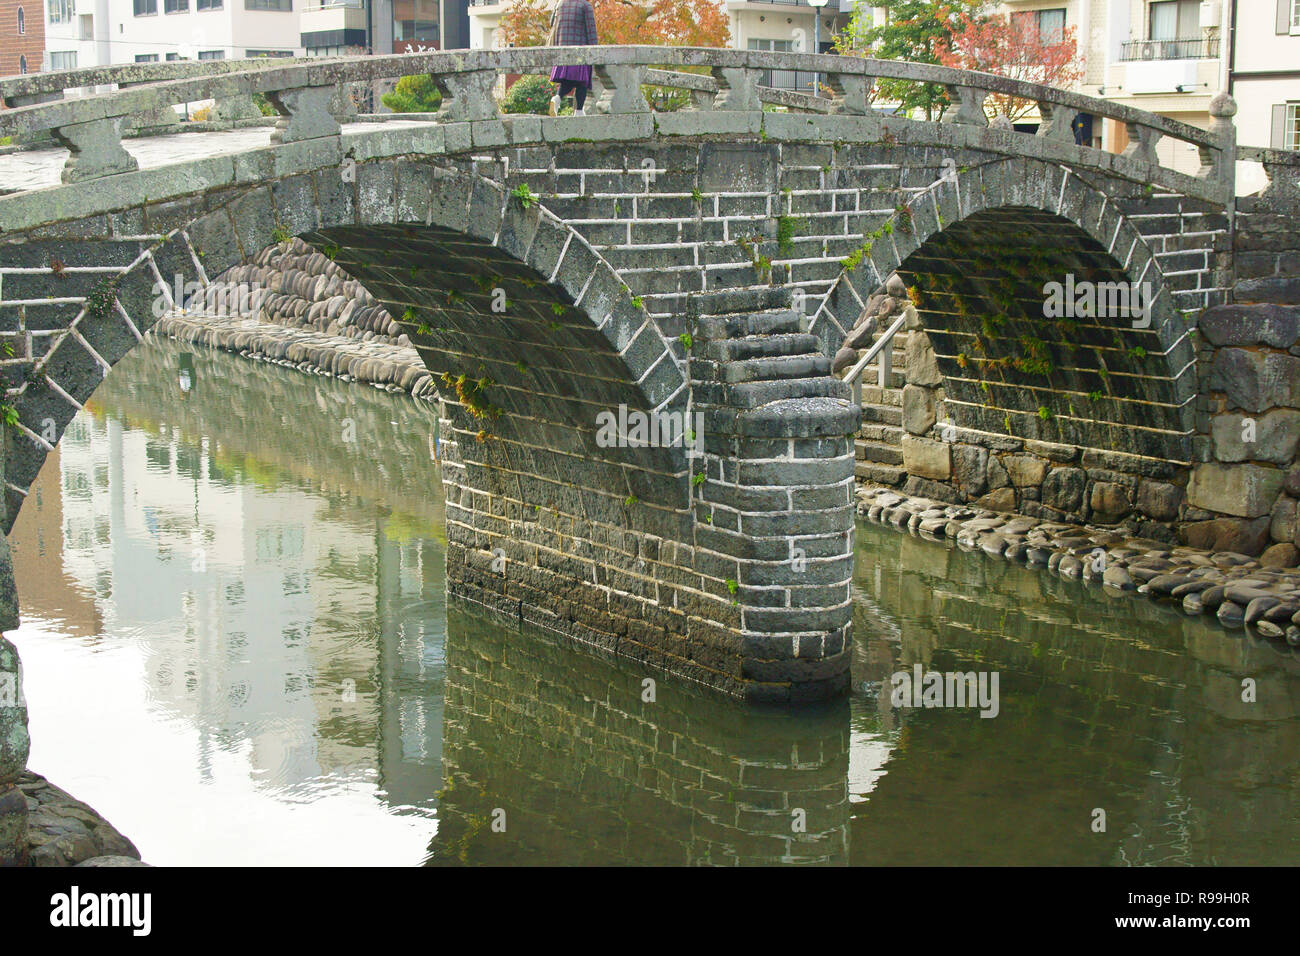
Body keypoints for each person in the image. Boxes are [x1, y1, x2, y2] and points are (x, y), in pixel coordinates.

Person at [548, 0, 598, 116]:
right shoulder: (585, 6)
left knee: (568, 80)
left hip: (562, 50)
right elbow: (591, 32)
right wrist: (595, 53)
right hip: (579, 51)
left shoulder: (560, 4)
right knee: (582, 81)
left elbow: (552, 24)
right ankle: (579, 111)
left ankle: (557, 98)